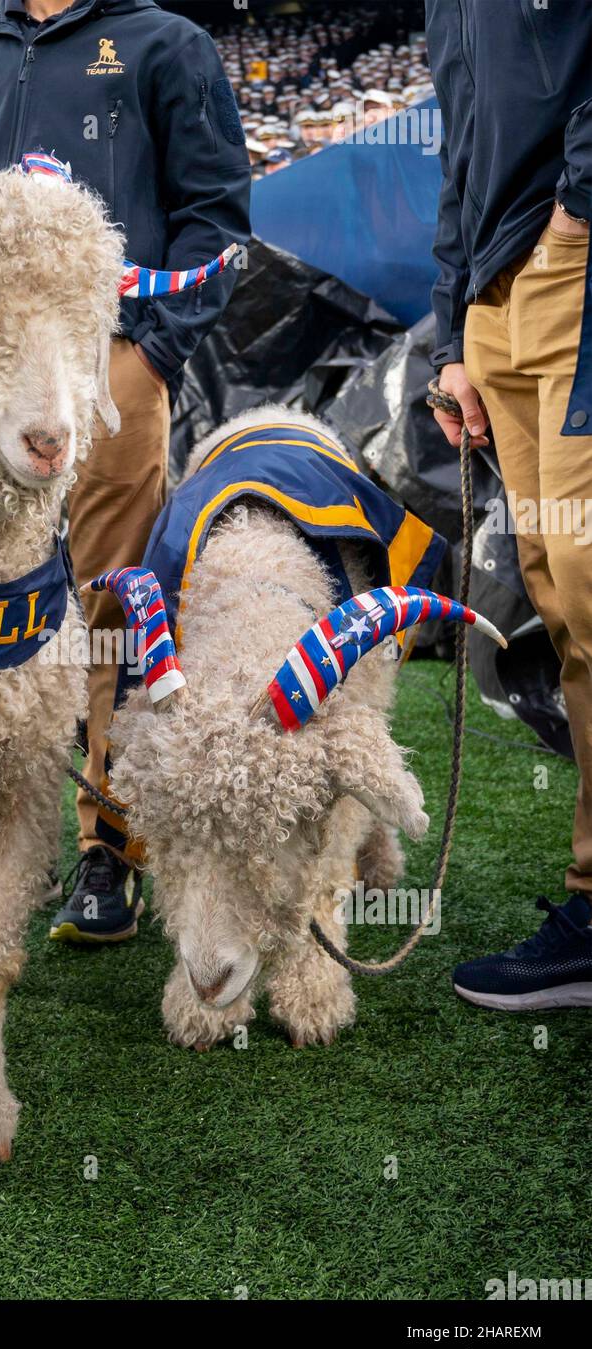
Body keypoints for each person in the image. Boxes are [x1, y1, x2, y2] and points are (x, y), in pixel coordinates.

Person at [0, 0, 251, 942]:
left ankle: (107, 848)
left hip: (106, 369)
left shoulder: (164, 43)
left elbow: (217, 219)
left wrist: (148, 352)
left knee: (106, 607)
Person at [426, 0, 592, 1010]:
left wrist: (578, 206)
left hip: (574, 263)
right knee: (559, 595)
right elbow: (459, 155)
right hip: (498, 298)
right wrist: (454, 337)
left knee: (590, 581)